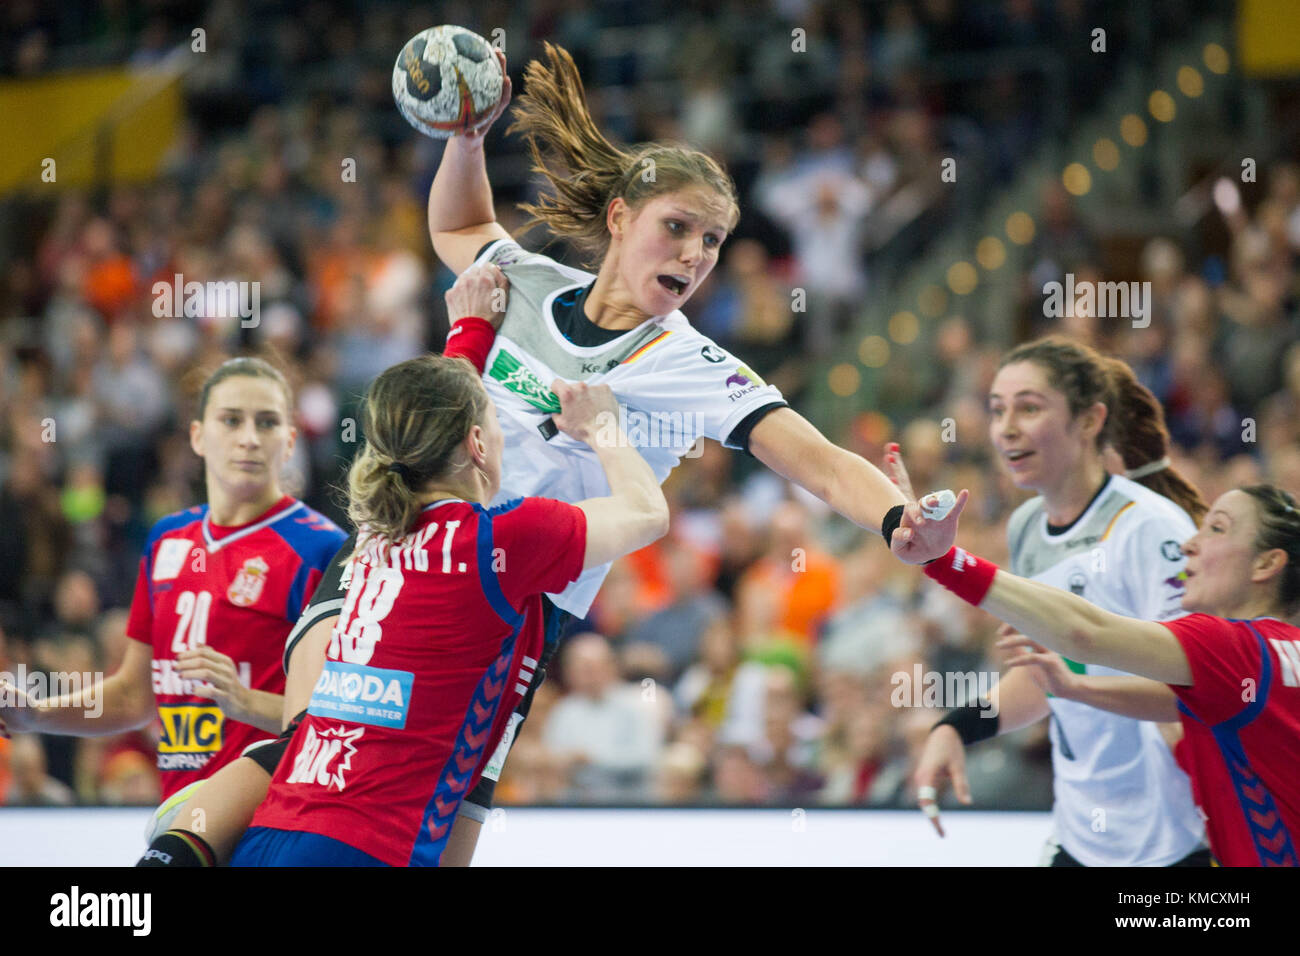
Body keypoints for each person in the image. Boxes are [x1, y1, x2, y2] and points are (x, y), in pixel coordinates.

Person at [422, 41, 959, 841]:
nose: (695, 255)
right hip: (419, 554)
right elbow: (463, 224)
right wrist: (465, 141)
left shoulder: (691, 365)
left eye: (710, 242)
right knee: (331, 751)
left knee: (453, 811)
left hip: (518, 607)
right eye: (677, 228)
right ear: (618, 218)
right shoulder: (528, 284)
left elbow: (820, 461)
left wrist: (898, 525)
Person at [227, 344, 669, 866]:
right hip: (369, 849)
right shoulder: (500, 541)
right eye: (496, 421)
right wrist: (603, 427)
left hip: (272, 830)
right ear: (478, 442)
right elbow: (648, 511)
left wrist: (474, 329)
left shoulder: (375, 532)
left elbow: (417, 415)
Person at [0, 358, 346, 843]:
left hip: (271, 823)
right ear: (198, 435)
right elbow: (134, 695)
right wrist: (38, 713)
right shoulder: (167, 539)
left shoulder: (322, 549)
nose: (249, 437)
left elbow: (337, 716)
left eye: (266, 422)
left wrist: (243, 701)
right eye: (232, 420)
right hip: (180, 815)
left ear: (289, 440)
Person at [895, 461, 1300, 867]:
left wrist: (945, 561)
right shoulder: (1269, 659)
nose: (1189, 544)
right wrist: (1077, 690)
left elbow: (1084, 632)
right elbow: (1171, 702)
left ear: (1268, 564)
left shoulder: (1233, 647)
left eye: (1218, 528)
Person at [911, 338, 1212, 866]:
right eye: (997, 409)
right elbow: (1045, 678)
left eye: (1029, 408)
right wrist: (957, 727)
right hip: (1081, 833)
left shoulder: (1151, 527)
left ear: (1091, 420)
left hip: (1170, 838)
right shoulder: (1027, 526)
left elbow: (1189, 687)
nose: (1006, 428)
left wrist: (1076, 685)